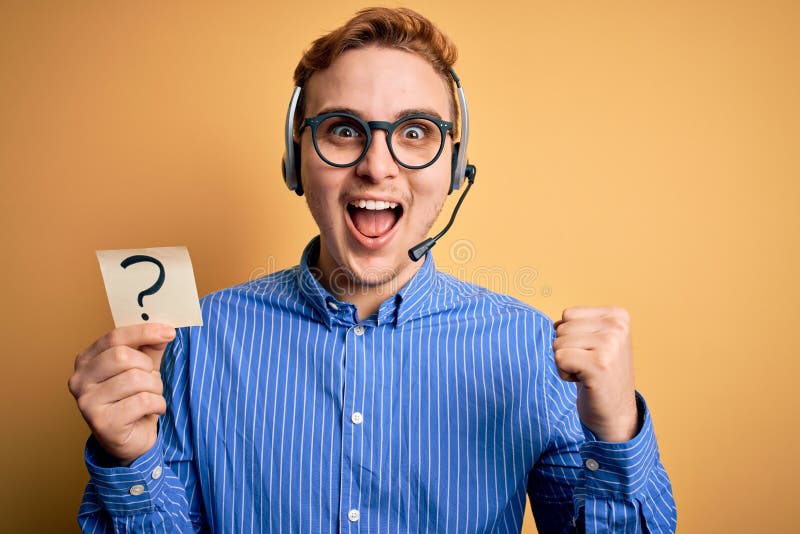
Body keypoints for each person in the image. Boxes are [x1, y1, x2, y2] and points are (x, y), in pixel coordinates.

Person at [69, 7, 676, 533]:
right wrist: (131, 459)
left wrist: (616, 432)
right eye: (343, 130)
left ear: (456, 164)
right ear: (295, 158)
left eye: (415, 132)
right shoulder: (193, 344)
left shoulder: (529, 350)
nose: (377, 166)